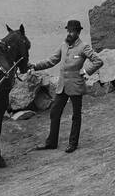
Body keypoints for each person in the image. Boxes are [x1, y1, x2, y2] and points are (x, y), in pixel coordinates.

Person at [29, 19, 102, 153]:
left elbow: (98, 60)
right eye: (68, 30)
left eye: (72, 31)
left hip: (76, 86)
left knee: (76, 115)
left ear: (78, 32)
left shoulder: (84, 47)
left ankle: (72, 143)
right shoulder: (63, 45)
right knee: (54, 112)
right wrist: (35, 66)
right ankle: (51, 142)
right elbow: (52, 60)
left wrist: (86, 71)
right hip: (62, 86)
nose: (69, 33)